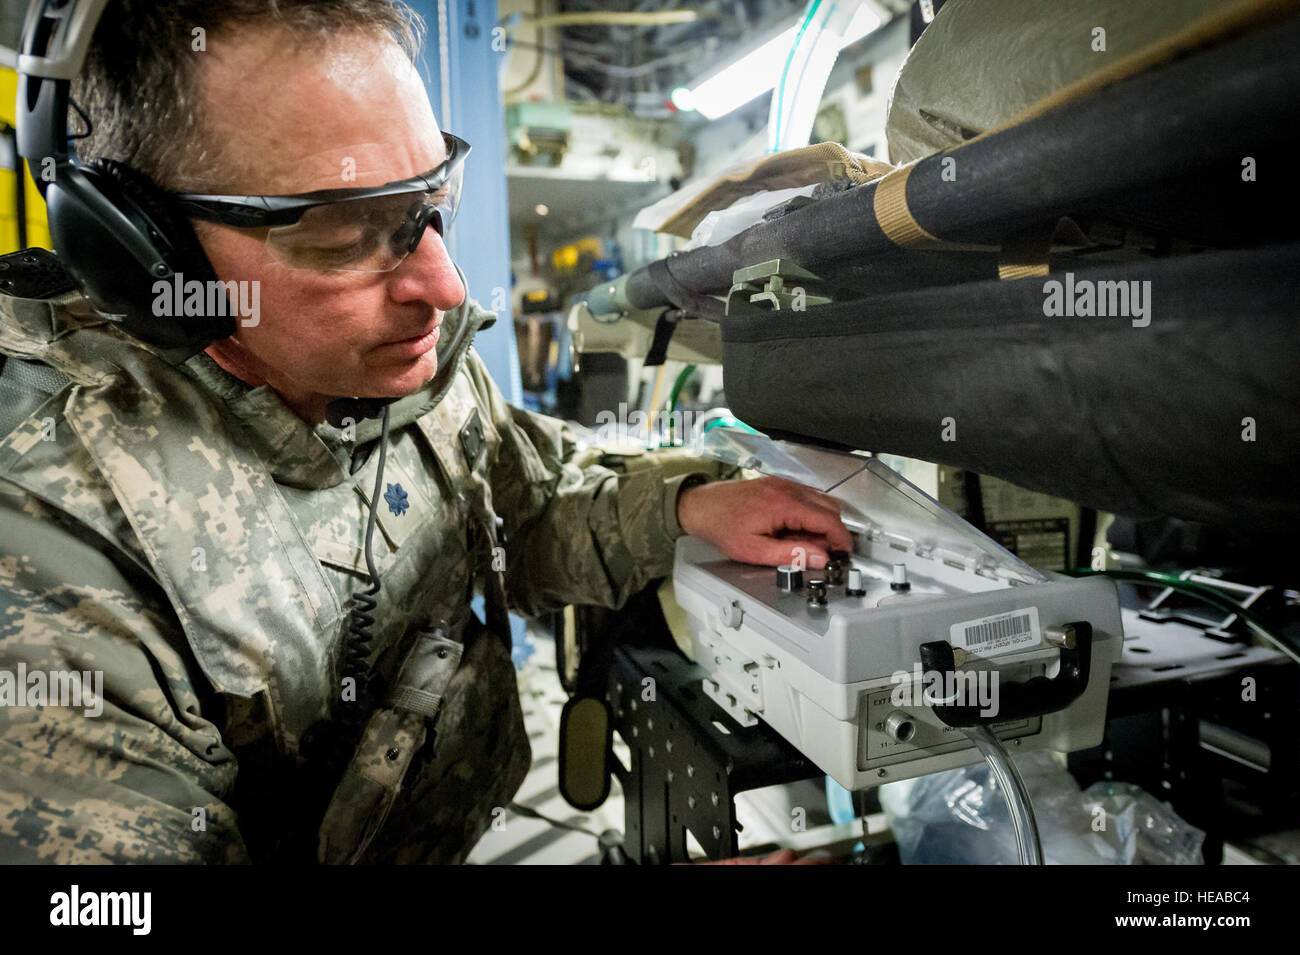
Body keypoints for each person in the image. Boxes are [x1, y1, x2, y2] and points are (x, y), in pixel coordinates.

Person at [0, 0, 851, 864]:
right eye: (341, 233)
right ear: (147, 257)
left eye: (427, 203)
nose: (443, 287)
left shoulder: (402, 364)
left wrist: (688, 504)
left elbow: (533, 503)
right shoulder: (44, 540)